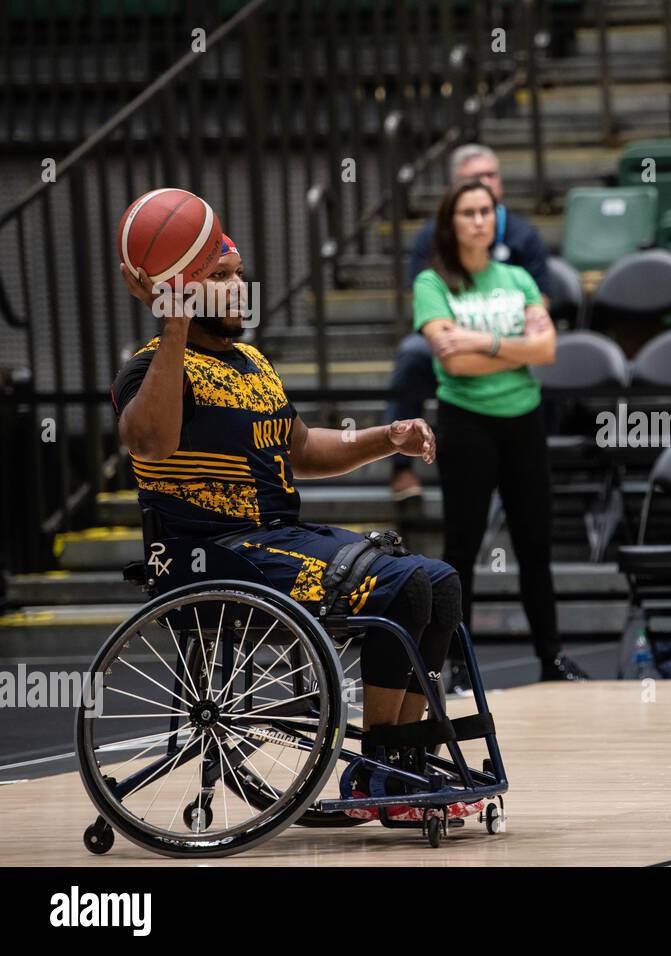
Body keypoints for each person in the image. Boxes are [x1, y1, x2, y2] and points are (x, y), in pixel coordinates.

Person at [113, 232, 476, 822]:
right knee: (401, 585)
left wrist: (385, 439)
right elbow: (150, 439)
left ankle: (400, 764)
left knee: (439, 581)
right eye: (222, 277)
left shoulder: (254, 363)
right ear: (181, 291)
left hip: (281, 536)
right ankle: (381, 774)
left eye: (239, 273)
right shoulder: (152, 367)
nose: (238, 289)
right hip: (211, 553)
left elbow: (301, 450)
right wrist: (174, 323)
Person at [412, 177, 588, 685]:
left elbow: (547, 351)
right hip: (466, 423)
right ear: (451, 223)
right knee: (462, 545)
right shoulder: (431, 283)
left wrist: (475, 339)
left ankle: (550, 658)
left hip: (523, 421)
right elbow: (454, 364)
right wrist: (511, 345)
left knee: (536, 544)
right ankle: (453, 662)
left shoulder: (518, 278)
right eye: (467, 212)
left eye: (486, 211)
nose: (479, 220)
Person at [390, 143, 551, 500]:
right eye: (476, 178)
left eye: (492, 175)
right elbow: (451, 351)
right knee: (414, 353)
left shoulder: (525, 236)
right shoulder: (430, 238)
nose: (486, 183)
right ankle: (401, 466)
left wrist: (482, 341)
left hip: (511, 375)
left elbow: (544, 333)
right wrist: (522, 349)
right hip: (460, 362)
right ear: (454, 193)